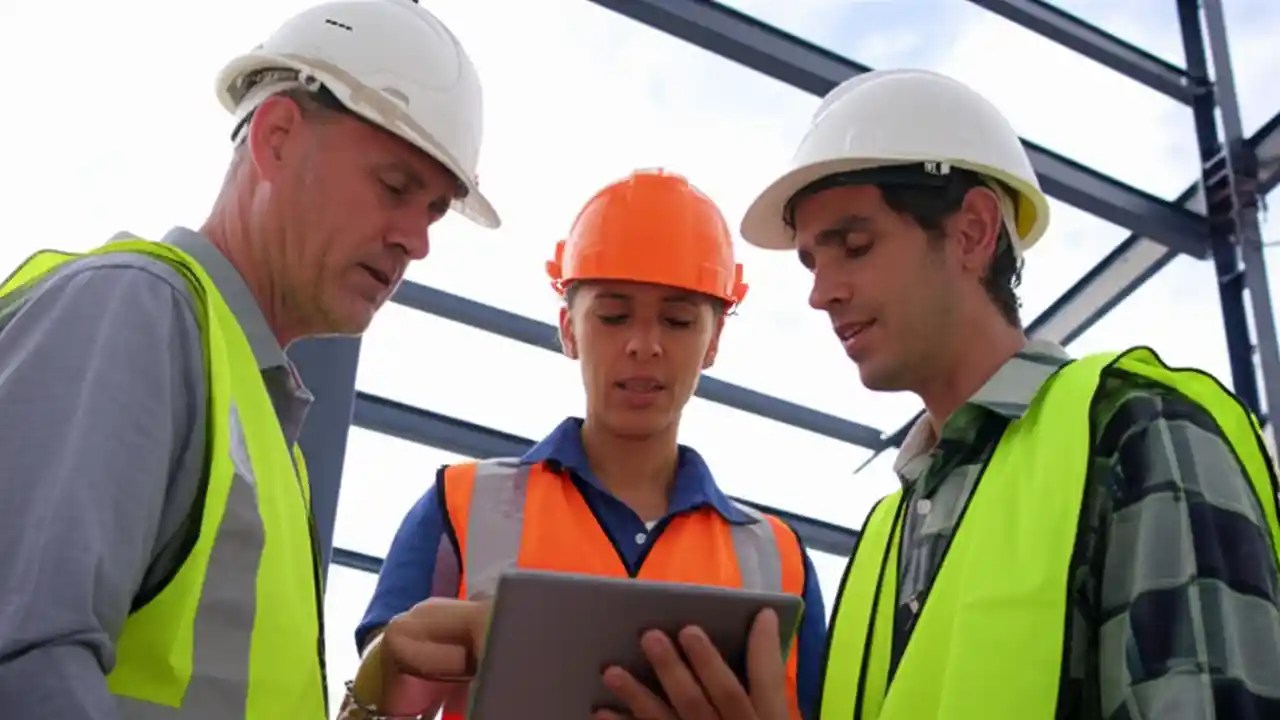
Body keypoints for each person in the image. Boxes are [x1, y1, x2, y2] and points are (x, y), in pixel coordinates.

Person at [599, 68, 1280, 720]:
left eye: (854, 246)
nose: (821, 292)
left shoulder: (1136, 433)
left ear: (972, 232)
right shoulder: (883, 539)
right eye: (811, 262)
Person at [0, 1, 498, 718]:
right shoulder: (136, 312)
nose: (416, 242)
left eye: (433, 212)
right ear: (277, 138)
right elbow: (23, 661)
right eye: (394, 188)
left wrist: (373, 698)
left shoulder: (268, 442)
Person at [341, 168, 828, 720]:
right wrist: (387, 670)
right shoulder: (459, 504)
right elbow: (365, 709)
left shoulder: (778, 558)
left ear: (713, 340)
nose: (644, 345)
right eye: (613, 316)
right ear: (569, 328)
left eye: (677, 321)